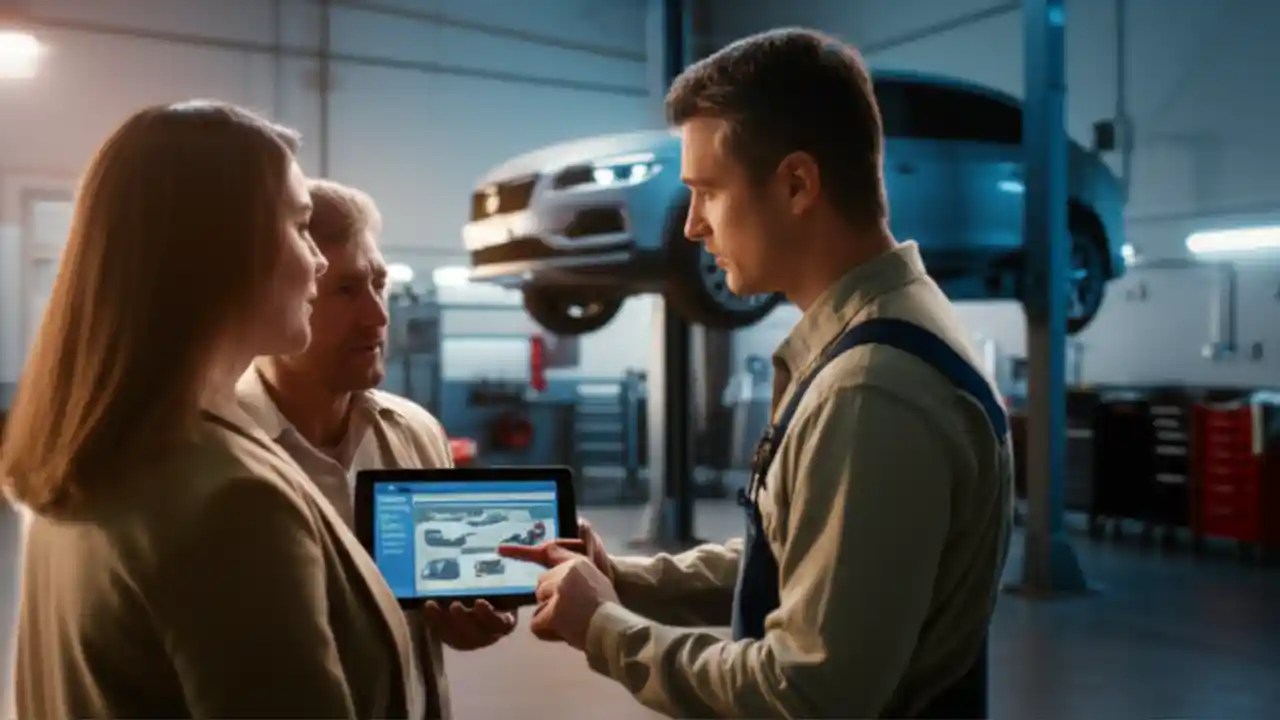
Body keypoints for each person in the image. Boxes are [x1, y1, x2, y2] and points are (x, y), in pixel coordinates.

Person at [500, 28, 1014, 719]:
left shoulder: (870, 387)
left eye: (707, 192)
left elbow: (804, 692)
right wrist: (624, 578)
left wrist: (605, 628)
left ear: (797, 184)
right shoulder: (887, 328)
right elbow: (809, 554)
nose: (691, 228)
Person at [0, 101, 424, 718]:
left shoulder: (88, 453)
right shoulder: (230, 499)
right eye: (300, 226)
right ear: (222, 248)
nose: (317, 259)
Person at [235, 178, 516, 720]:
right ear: (279, 294)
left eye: (379, 284)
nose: (378, 317)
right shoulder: (220, 450)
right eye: (344, 290)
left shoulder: (415, 432)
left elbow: (433, 605)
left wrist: (461, 615)